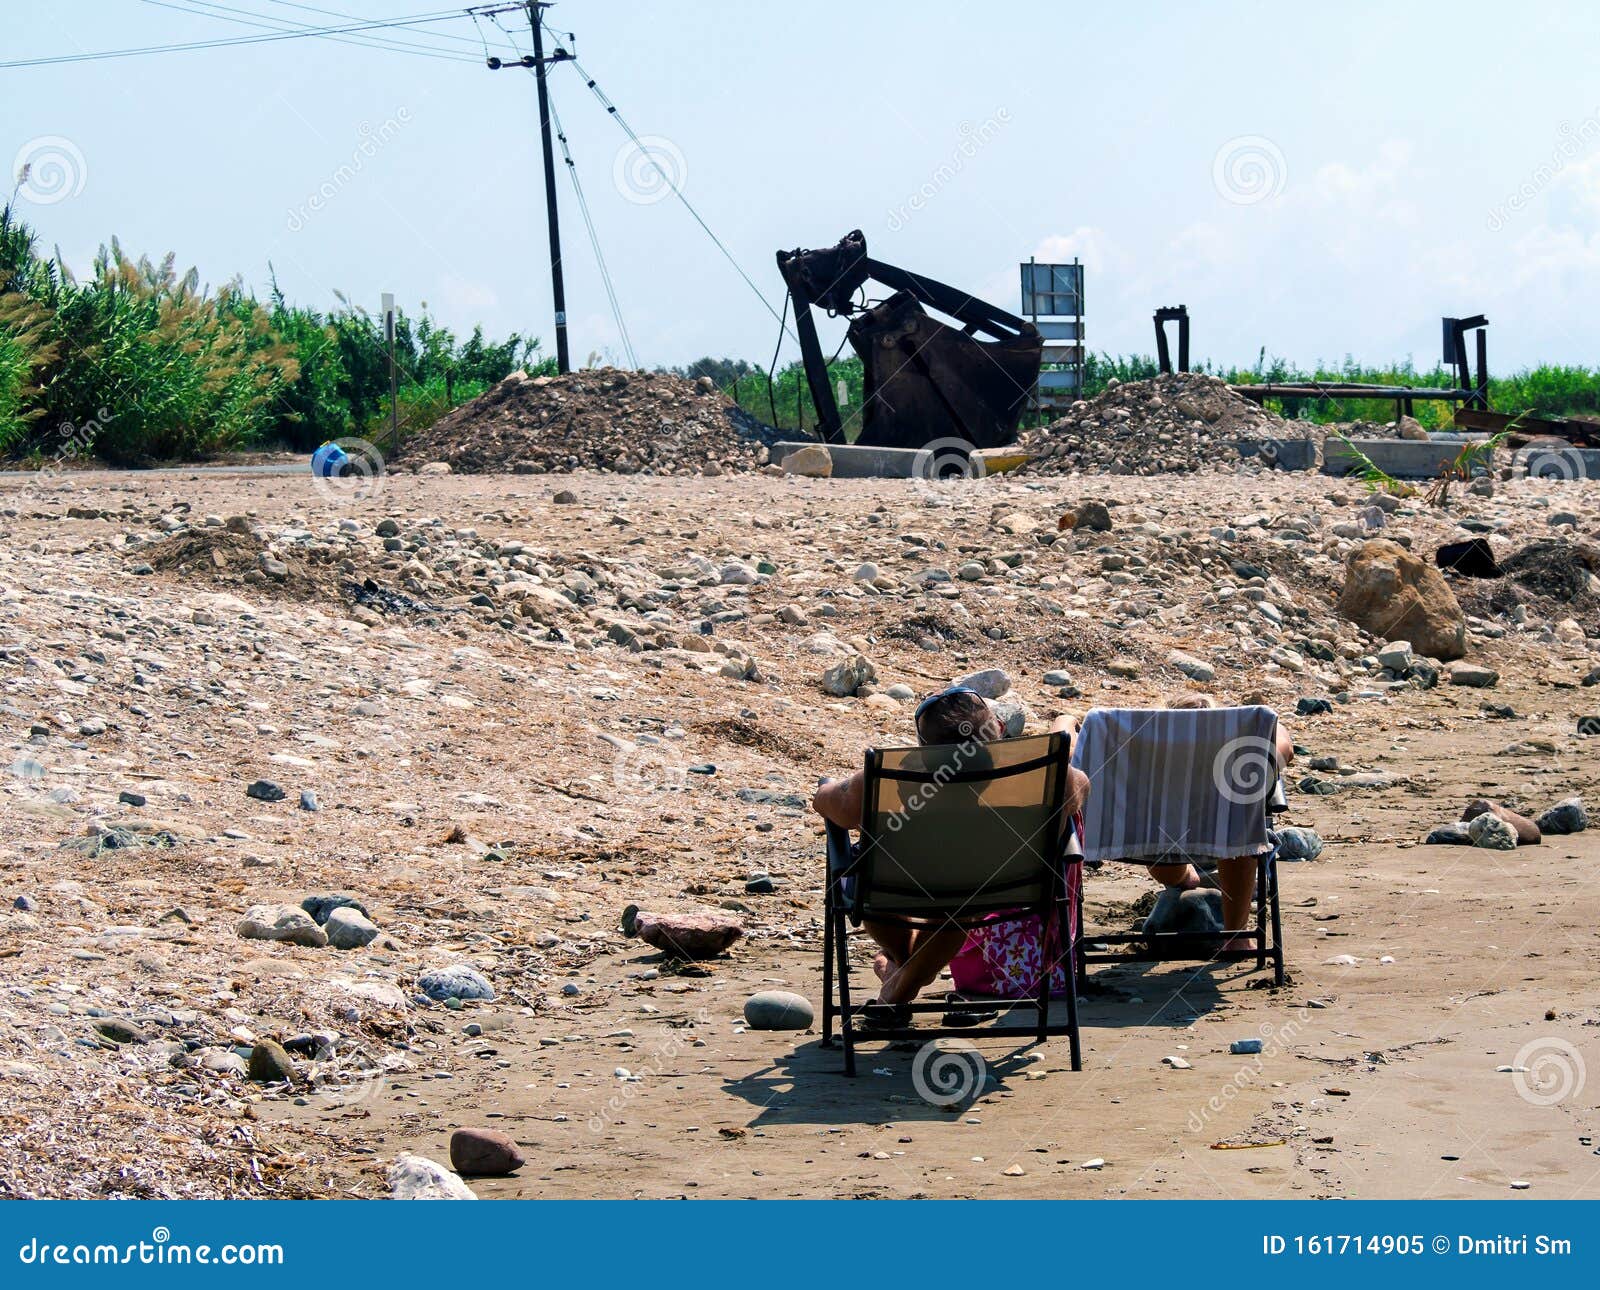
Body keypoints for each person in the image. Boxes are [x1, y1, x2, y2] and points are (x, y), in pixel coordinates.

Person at [811, 686, 1091, 1018]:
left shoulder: (883, 777)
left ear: (923, 748)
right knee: (961, 901)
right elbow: (1080, 788)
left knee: (886, 882)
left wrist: (825, 786)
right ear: (997, 731)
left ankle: (900, 983)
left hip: (890, 894)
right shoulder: (1039, 774)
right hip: (998, 889)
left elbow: (832, 805)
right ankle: (905, 977)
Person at [1146, 693, 1295, 949]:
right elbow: (1283, 752)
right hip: (1227, 836)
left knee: (1157, 828)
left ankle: (1183, 877)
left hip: (1155, 840)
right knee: (1242, 823)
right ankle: (1236, 936)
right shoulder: (1234, 757)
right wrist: (1274, 725)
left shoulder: (1147, 752)